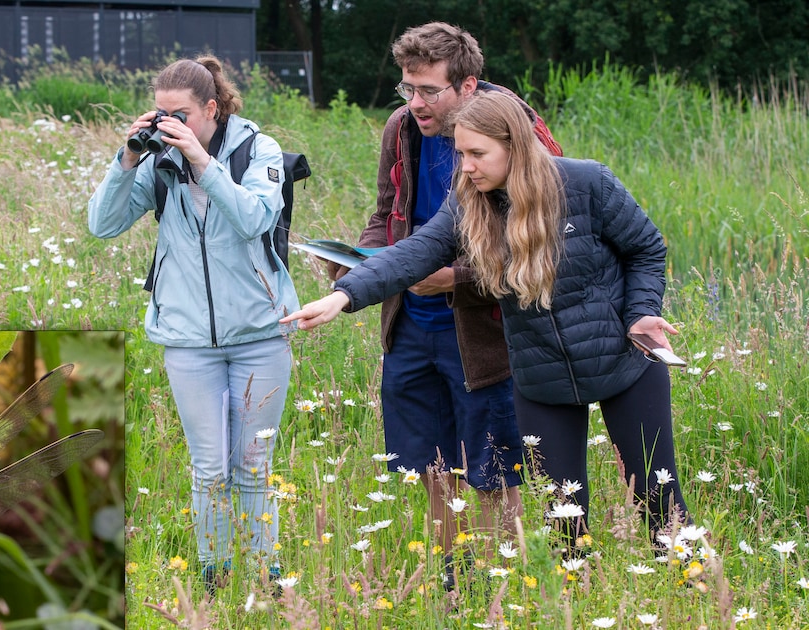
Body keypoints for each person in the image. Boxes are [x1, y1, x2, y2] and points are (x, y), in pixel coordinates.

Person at [284, 90, 691, 551]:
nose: (467, 166)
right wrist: (344, 296)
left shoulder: (586, 183)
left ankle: (695, 590)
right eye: (461, 154)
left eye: (478, 154)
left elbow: (646, 249)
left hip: (626, 361)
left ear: (514, 147)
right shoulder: (467, 205)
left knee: (659, 501)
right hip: (541, 377)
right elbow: (413, 254)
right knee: (564, 518)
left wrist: (641, 314)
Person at [329, 22, 562, 586]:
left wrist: (456, 280)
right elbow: (389, 212)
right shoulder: (402, 129)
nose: (416, 103)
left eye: (429, 90)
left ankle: (501, 585)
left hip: (483, 334)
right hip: (410, 324)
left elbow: (542, 237)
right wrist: (364, 262)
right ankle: (451, 583)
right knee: (429, 467)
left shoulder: (514, 125)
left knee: (492, 468)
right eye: (407, 89)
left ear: (468, 85)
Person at [87, 55, 298, 596]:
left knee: (252, 465)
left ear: (210, 108)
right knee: (209, 469)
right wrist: (129, 155)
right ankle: (213, 576)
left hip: (258, 333)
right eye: (158, 114)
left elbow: (254, 218)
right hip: (186, 339)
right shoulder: (158, 162)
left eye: (177, 114)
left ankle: (268, 577)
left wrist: (203, 162)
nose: (166, 124)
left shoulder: (259, 150)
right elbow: (102, 225)